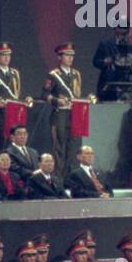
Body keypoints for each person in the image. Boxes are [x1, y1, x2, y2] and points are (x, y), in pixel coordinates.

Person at [42, 43, 83, 175]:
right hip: (60, 114)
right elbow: (44, 94)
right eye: (67, 55)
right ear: (60, 57)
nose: (70, 58)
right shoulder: (54, 75)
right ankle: (60, 178)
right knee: (60, 147)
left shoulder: (76, 74)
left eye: (72, 56)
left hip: (75, 114)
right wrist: (56, 101)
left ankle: (73, 176)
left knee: (74, 146)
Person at [92, 23, 132, 100]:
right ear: (116, 29)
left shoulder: (131, 49)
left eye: (125, 29)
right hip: (107, 83)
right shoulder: (105, 44)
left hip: (124, 86)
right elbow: (95, 62)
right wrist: (106, 61)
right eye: (120, 28)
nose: (123, 31)